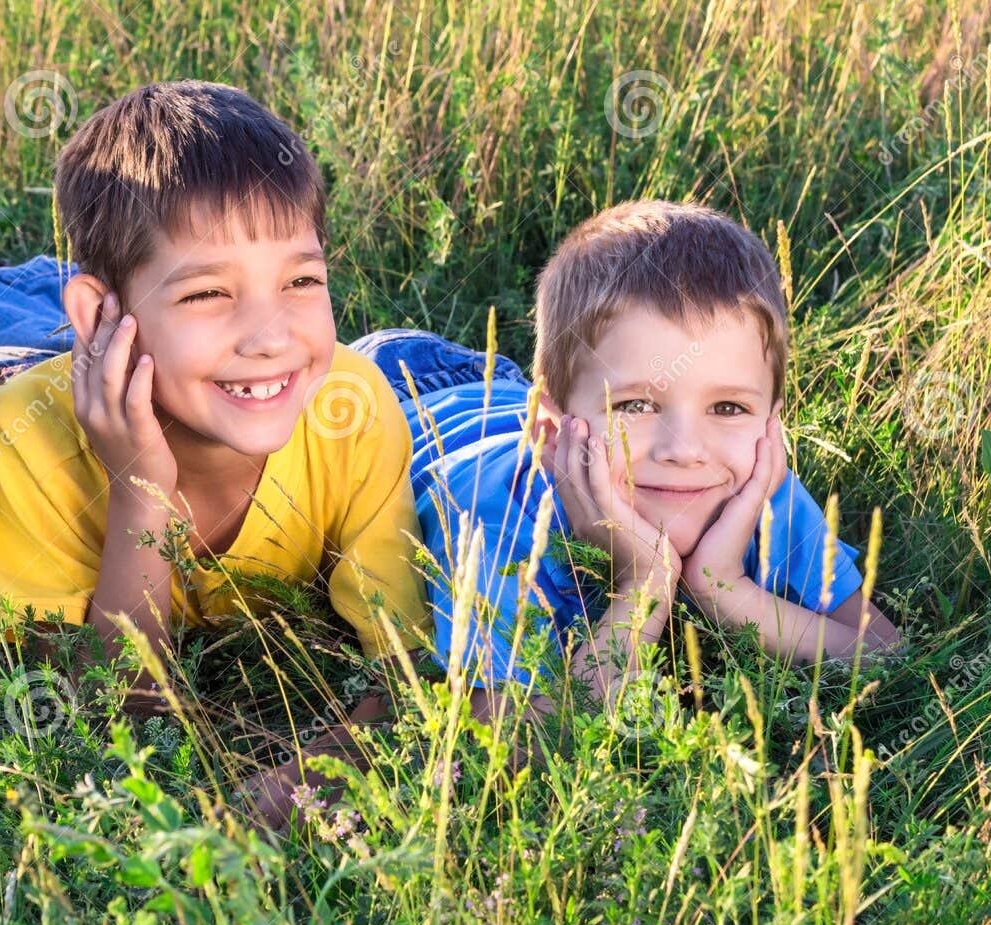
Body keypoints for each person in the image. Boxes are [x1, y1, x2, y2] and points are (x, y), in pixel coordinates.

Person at [0, 80, 433, 814]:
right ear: (100, 314)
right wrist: (137, 487)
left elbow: (407, 677)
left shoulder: (353, 407)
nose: (271, 335)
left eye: (301, 280)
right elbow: (104, 716)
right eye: (208, 294)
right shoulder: (22, 440)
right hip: (0, 377)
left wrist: (284, 795)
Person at [355, 199, 901, 760]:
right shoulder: (496, 522)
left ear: (772, 423)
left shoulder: (760, 488)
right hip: (399, 400)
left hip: (511, 396)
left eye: (729, 408)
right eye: (637, 404)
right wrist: (641, 583)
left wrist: (724, 588)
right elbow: (512, 745)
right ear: (550, 431)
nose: (685, 450)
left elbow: (883, 651)